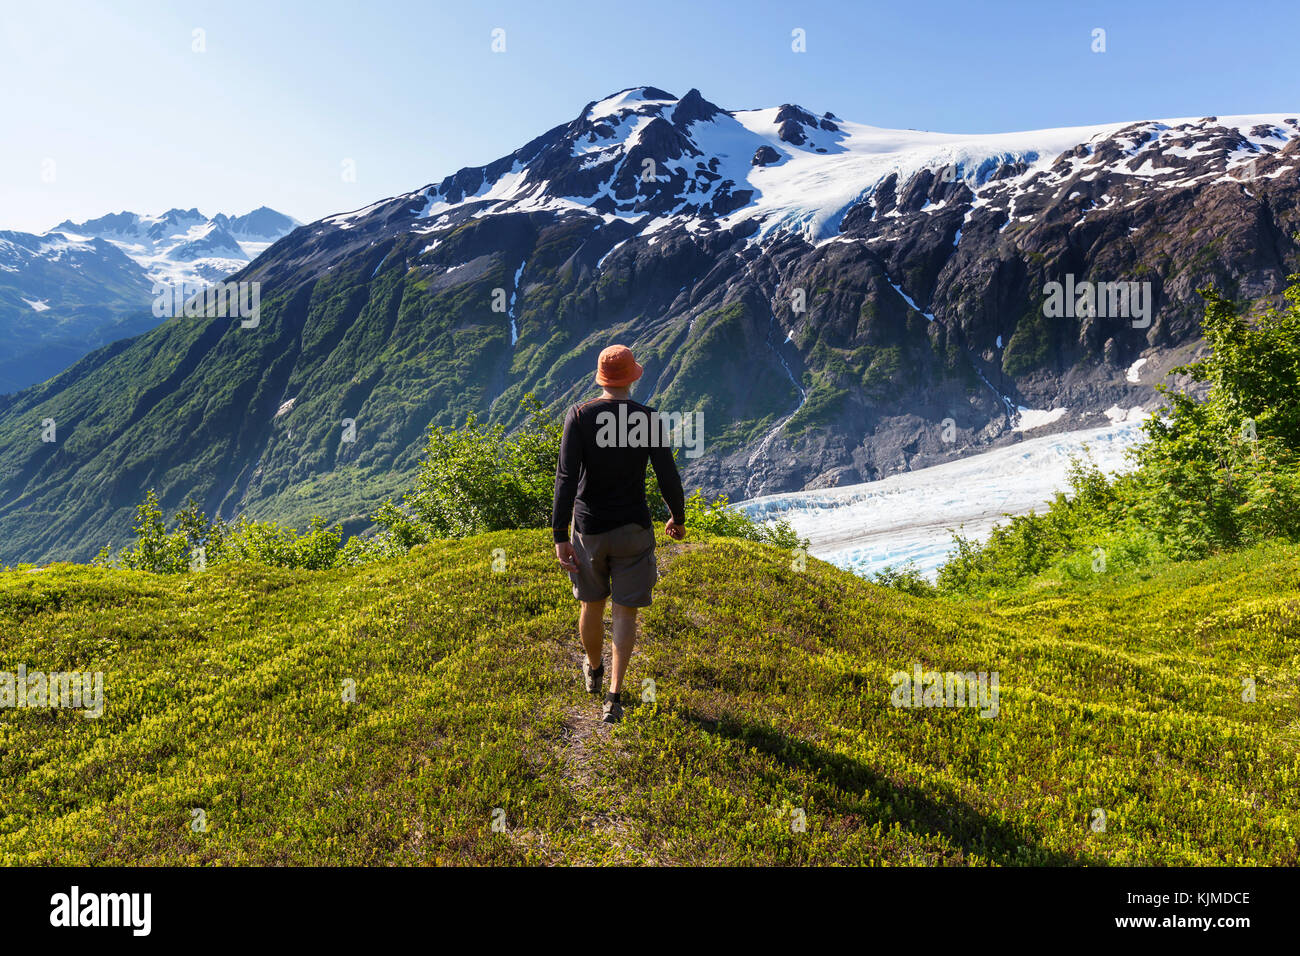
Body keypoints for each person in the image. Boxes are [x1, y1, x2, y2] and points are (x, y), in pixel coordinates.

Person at [552, 344, 686, 723]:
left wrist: (560, 533)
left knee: (590, 605)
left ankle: (593, 670)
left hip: (589, 529)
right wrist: (677, 516)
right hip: (633, 528)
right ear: (632, 377)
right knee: (625, 613)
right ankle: (615, 695)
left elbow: (565, 478)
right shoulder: (648, 419)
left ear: (601, 377)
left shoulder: (579, 415)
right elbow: (667, 476)